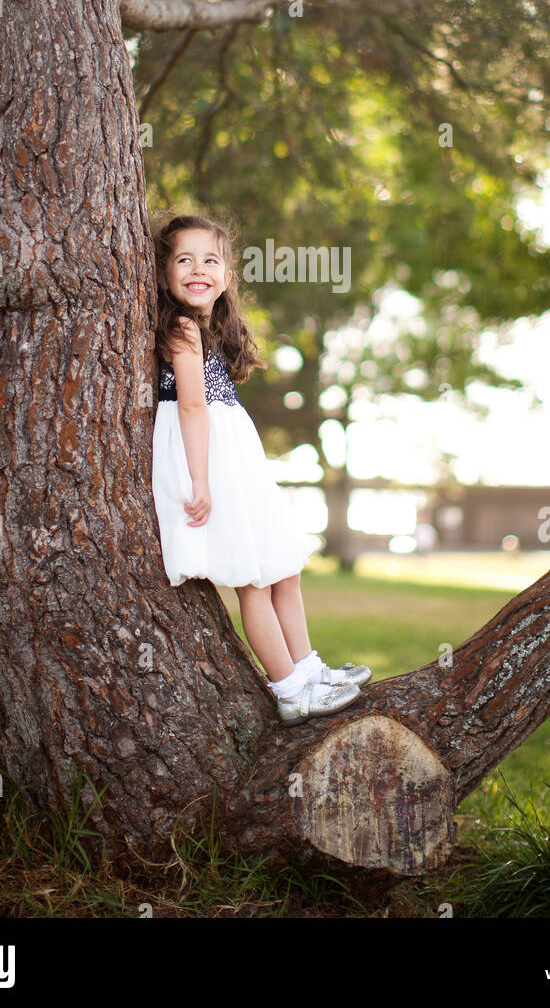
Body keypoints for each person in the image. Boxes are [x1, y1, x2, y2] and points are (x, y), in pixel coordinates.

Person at [151, 211, 371, 726]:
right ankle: (290, 690)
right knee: (254, 580)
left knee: (283, 570)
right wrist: (200, 481)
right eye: (184, 260)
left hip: (236, 462)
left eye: (211, 260)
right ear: (163, 273)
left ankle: (310, 670)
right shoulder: (181, 328)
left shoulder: (208, 328)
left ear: (228, 275)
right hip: (209, 462)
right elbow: (191, 406)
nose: (198, 269)